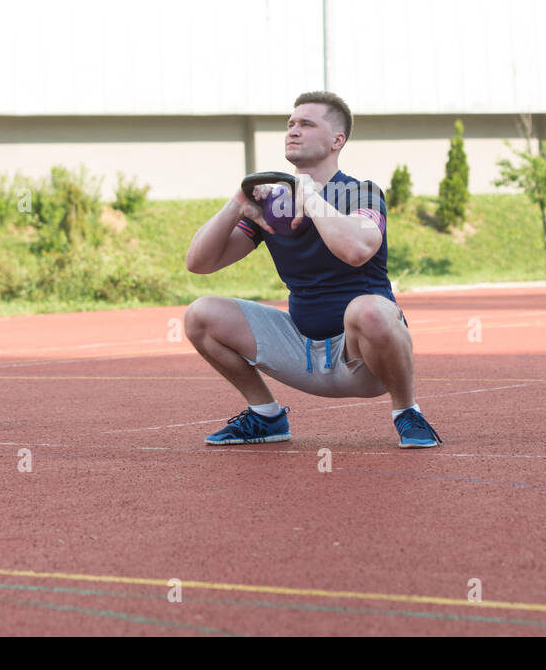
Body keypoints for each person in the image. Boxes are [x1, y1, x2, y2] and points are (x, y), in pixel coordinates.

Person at [184, 91, 442, 448]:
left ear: (338, 140)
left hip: (362, 359)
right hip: (300, 346)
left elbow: (355, 250)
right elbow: (199, 263)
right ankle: (266, 416)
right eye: (291, 124)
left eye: (306, 124)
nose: (293, 130)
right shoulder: (272, 205)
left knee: (370, 309)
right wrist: (236, 204)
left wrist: (311, 197)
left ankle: (407, 411)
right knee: (200, 314)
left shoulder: (361, 192)